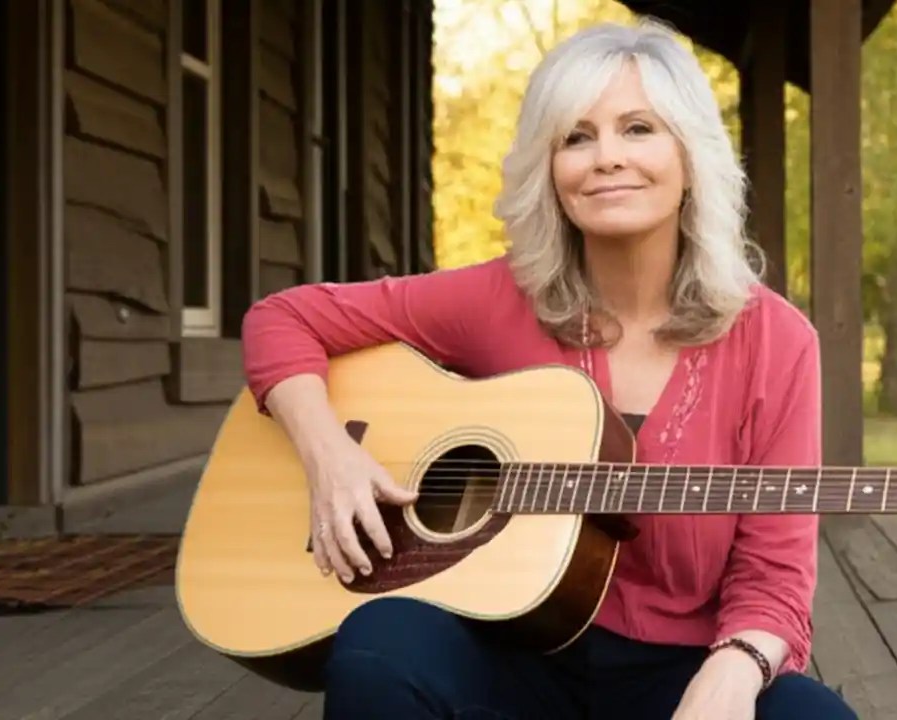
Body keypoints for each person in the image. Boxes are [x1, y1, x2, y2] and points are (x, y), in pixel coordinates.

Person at [241, 19, 858, 720]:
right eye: (576, 136)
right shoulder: (499, 298)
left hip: (681, 672)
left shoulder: (777, 341)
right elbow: (281, 319)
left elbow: (774, 576)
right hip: (508, 650)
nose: (605, 158)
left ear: (691, 155)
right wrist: (330, 457)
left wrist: (736, 669)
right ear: (550, 170)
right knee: (379, 646)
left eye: (637, 128)